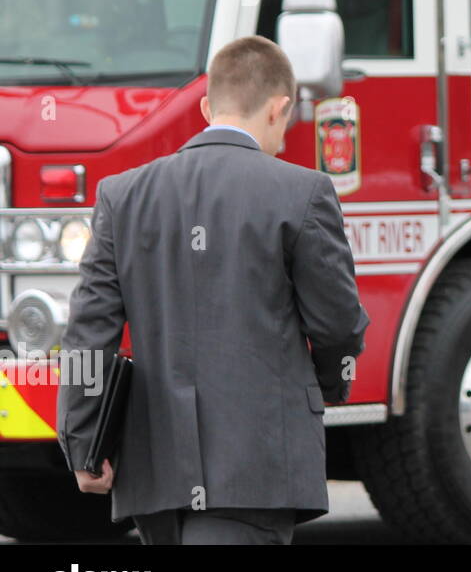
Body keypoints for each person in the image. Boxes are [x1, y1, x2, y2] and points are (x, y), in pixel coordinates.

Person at [56, 35, 369, 545]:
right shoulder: (303, 192)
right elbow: (337, 323)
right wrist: (329, 386)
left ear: (206, 107)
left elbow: (88, 337)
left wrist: (84, 441)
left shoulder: (121, 195)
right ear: (280, 107)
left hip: (155, 476)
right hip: (258, 469)